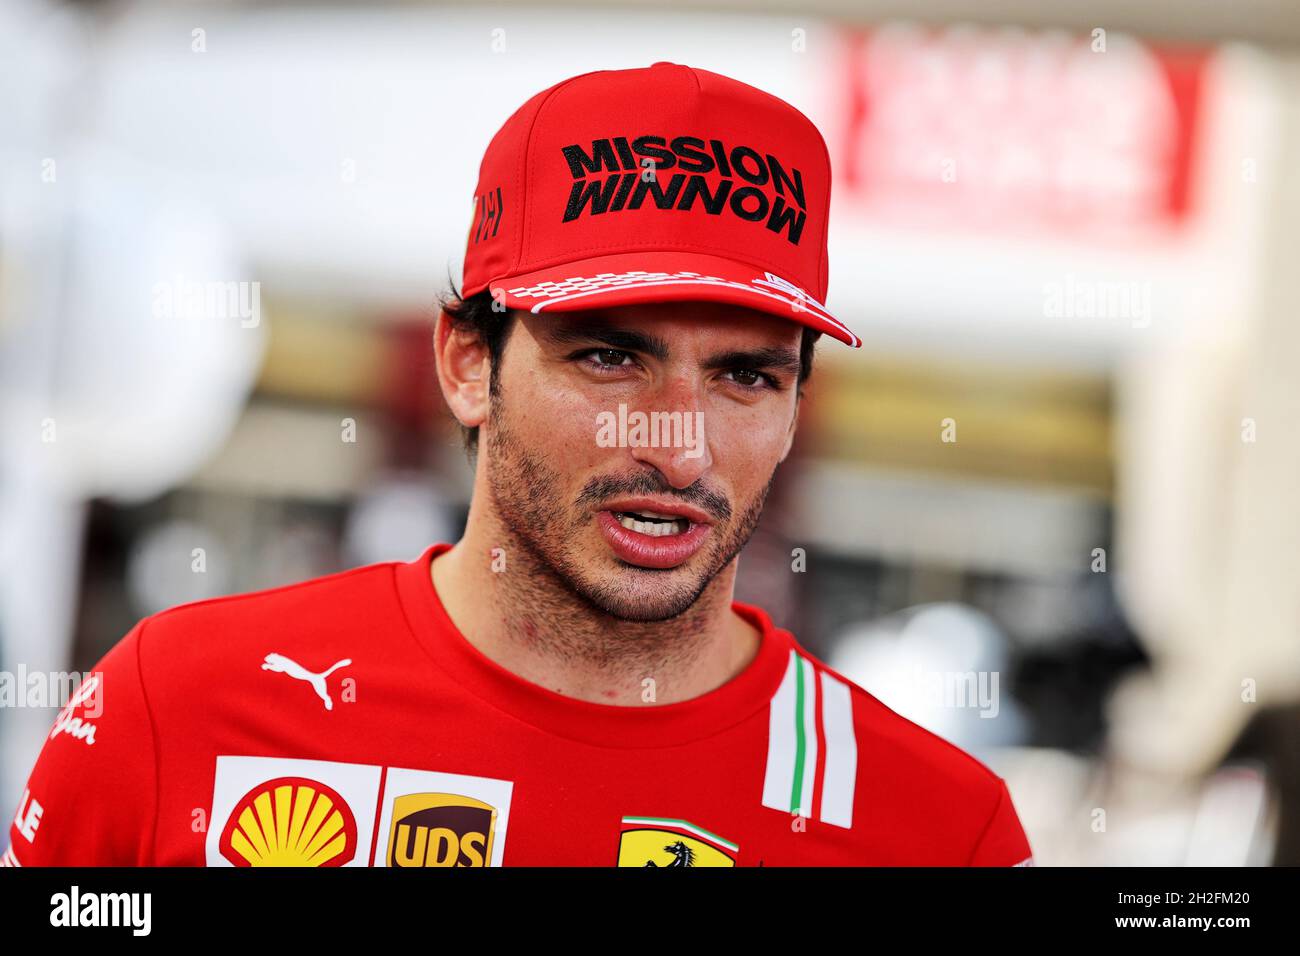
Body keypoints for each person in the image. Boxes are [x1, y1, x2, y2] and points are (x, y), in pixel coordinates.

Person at [3, 62, 1032, 867]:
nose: (678, 442)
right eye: (609, 357)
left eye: (744, 378)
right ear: (464, 362)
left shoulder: (939, 826)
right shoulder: (177, 702)